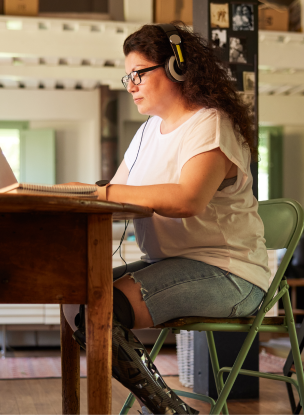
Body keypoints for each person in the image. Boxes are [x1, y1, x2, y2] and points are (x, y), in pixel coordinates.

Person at [63, 23, 270, 415]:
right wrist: (71, 194)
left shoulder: (210, 122)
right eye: (128, 76)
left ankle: (167, 412)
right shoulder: (146, 133)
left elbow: (187, 199)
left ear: (176, 67)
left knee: (98, 309)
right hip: (175, 265)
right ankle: (165, 408)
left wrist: (100, 191)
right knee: (73, 294)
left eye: (139, 73)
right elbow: (118, 195)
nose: (131, 84)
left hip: (230, 273)